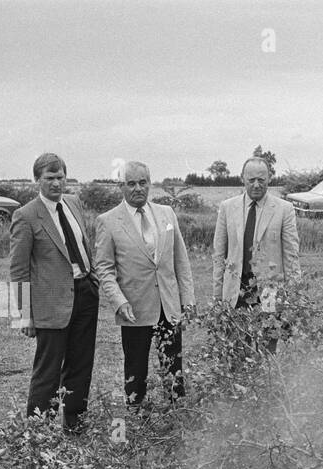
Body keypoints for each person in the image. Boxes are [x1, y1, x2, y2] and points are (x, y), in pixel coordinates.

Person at [9, 152, 99, 432]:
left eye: (60, 177)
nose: (56, 184)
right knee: (47, 371)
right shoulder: (26, 216)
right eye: (50, 178)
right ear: (37, 180)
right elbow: (18, 270)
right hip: (51, 304)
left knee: (81, 364)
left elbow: (83, 243)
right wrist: (25, 316)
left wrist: (92, 277)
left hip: (84, 292)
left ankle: (75, 424)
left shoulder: (72, 203)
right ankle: (38, 432)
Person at [93, 161, 195, 406]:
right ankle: (136, 421)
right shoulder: (108, 221)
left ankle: (177, 416)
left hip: (168, 306)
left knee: (174, 368)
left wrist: (188, 300)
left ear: (149, 183)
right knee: (136, 371)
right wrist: (119, 301)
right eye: (131, 184)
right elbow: (104, 269)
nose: (137, 189)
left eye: (142, 183)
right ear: (121, 187)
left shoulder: (166, 214)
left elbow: (181, 260)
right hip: (135, 309)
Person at [211, 156, 301, 353]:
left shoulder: (284, 209)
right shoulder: (227, 208)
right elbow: (219, 256)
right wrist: (218, 296)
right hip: (236, 292)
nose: (257, 185)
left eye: (261, 179)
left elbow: (291, 256)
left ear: (269, 178)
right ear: (243, 179)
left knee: (266, 353)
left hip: (269, 292)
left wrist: (293, 297)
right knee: (236, 351)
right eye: (251, 180)